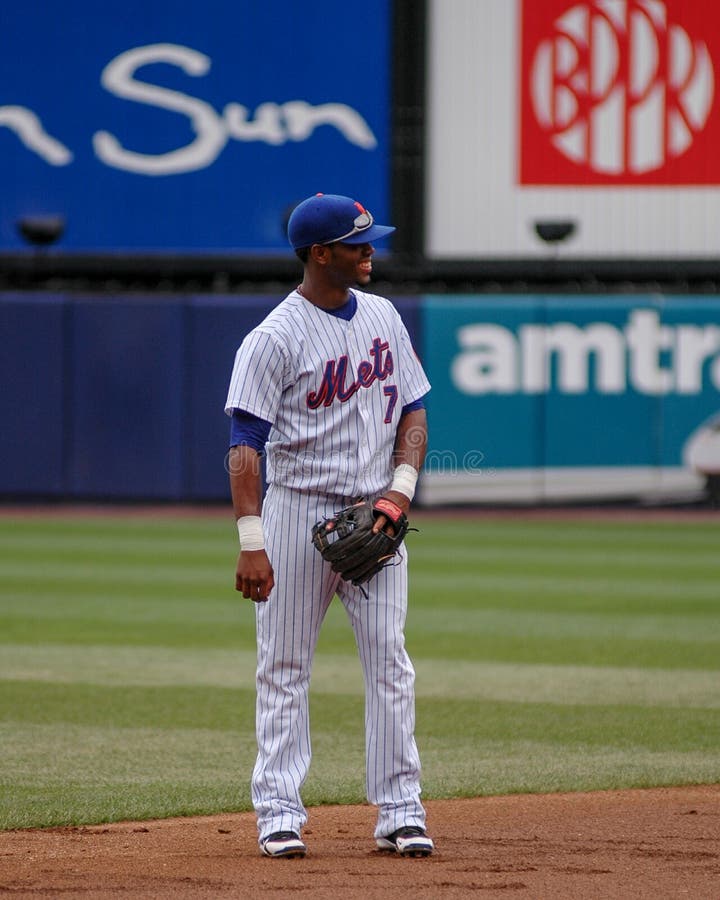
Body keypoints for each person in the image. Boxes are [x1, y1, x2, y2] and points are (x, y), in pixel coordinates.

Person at [225, 192, 433, 859]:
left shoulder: (383, 315)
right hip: (296, 511)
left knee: (391, 662)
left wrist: (399, 493)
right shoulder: (273, 339)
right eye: (357, 244)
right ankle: (278, 812)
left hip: (375, 511)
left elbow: (414, 410)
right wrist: (252, 542)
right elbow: (244, 447)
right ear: (320, 253)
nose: (371, 251)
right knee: (284, 666)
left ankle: (401, 809)